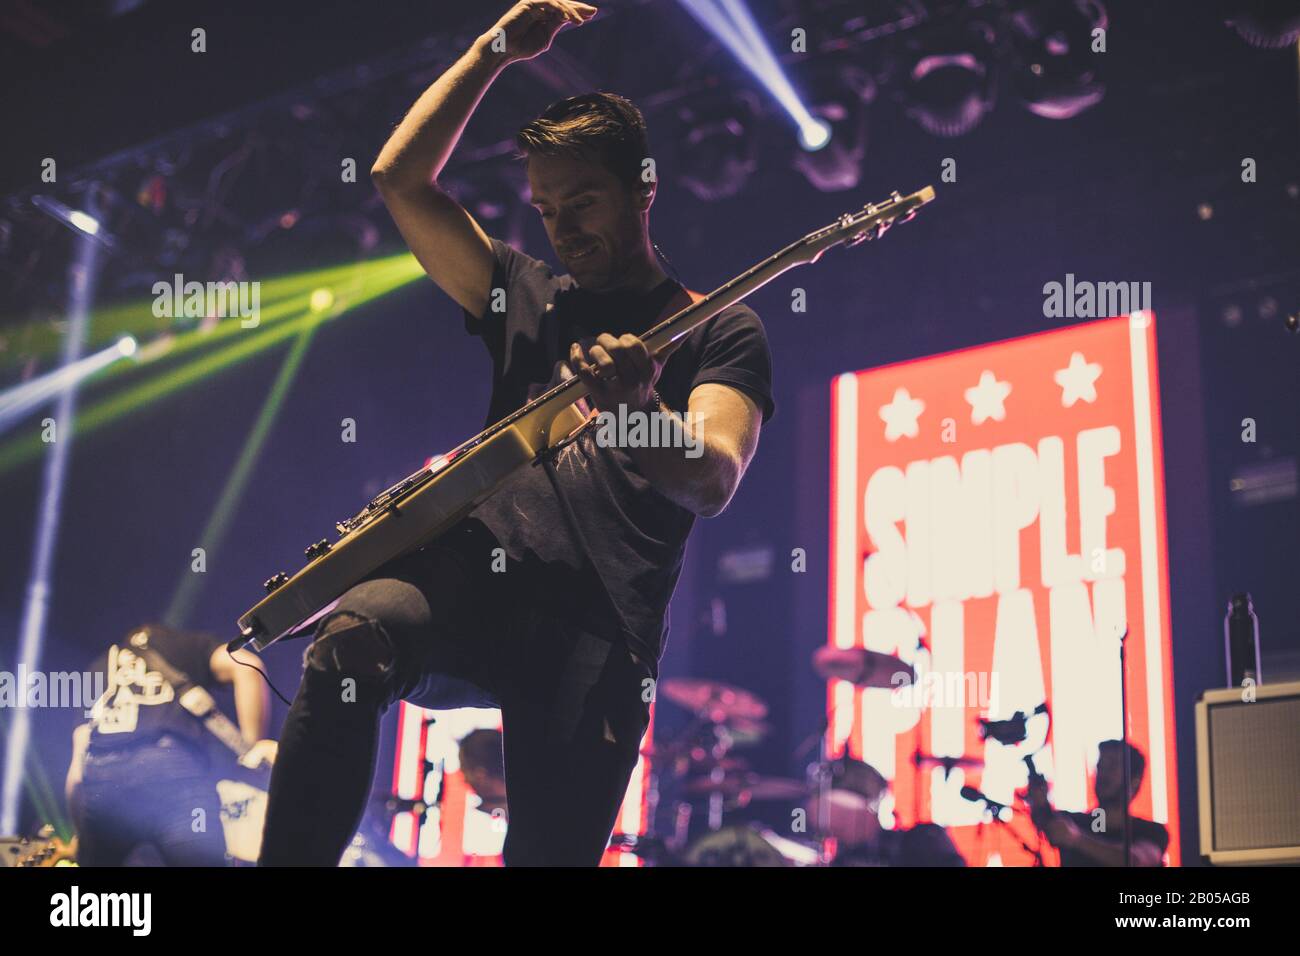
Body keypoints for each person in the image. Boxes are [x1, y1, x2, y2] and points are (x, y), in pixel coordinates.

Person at [259, 0, 774, 867]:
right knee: (349, 642)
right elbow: (399, 179)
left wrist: (634, 412)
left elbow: (713, 478)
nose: (565, 227)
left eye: (585, 201)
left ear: (644, 187)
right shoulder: (523, 293)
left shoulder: (721, 329)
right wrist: (494, 49)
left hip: (599, 628)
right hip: (474, 585)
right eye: (546, 207)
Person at [66, 623, 274, 866]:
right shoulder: (178, 643)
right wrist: (252, 749)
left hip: (104, 781)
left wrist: (88, 841)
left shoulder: (96, 670)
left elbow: (76, 776)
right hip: (172, 769)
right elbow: (249, 667)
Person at [1028, 739, 1169, 866]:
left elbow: (1135, 861)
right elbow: (1045, 820)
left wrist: (1077, 840)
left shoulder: (1151, 831)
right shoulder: (1074, 822)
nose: (1103, 773)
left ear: (1134, 782)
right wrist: (1039, 801)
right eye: (1101, 766)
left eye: (1112, 767)